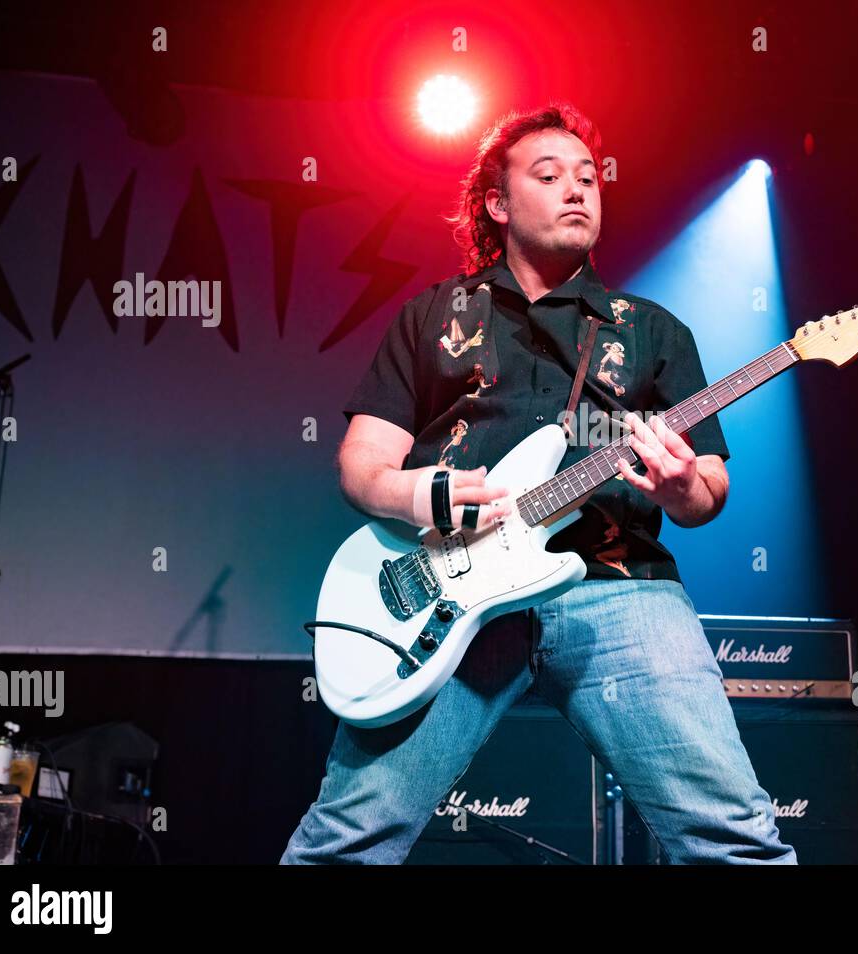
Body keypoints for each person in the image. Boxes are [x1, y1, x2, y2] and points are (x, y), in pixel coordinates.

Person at [282, 102, 795, 864]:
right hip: (449, 597)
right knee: (345, 844)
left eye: (588, 177)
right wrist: (428, 496)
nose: (578, 190)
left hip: (619, 587)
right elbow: (362, 466)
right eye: (550, 176)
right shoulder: (434, 316)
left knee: (733, 841)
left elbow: (708, 493)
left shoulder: (650, 329)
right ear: (497, 203)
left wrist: (680, 484)